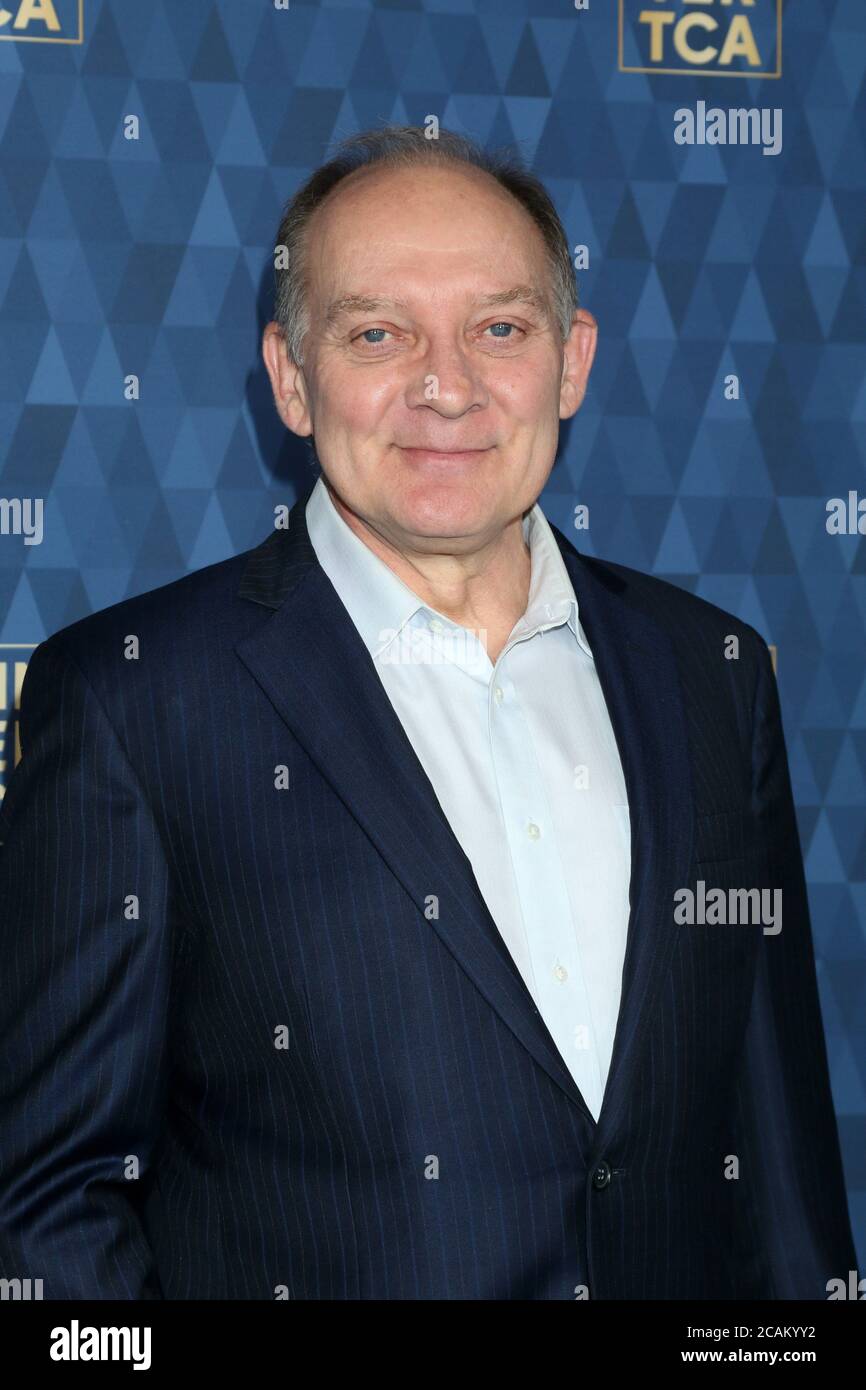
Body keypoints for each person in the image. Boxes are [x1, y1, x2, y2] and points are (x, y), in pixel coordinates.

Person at [0, 126, 855, 1300]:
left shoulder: (709, 673)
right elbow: (50, 1203)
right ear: (292, 380)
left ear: (572, 361)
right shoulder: (136, 699)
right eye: (375, 333)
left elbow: (778, 1173)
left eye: (499, 329)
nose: (445, 385)